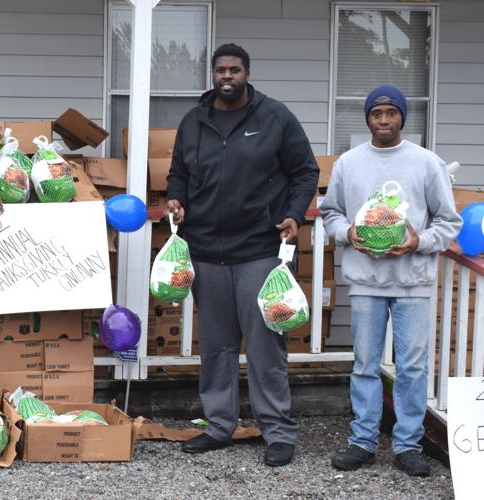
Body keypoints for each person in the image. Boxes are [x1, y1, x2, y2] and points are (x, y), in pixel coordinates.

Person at [165, 43, 318, 467]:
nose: (227, 76)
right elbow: (178, 172)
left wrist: (293, 215)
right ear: (212, 75)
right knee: (215, 346)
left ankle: (278, 432)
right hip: (206, 251)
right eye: (220, 70)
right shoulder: (194, 120)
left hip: (258, 250)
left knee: (267, 345)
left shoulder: (274, 117)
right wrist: (176, 197)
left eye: (234, 69)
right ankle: (218, 426)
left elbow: (306, 171)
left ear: (247, 73)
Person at [321, 85, 460, 477]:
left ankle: (408, 445)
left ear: (402, 117)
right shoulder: (349, 164)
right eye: (377, 113)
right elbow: (331, 213)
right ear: (367, 117)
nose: (384, 120)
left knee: (413, 368)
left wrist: (420, 241)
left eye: (391, 113)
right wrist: (349, 233)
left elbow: (449, 221)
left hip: (412, 280)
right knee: (365, 364)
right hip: (366, 281)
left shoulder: (426, 163)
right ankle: (362, 441)